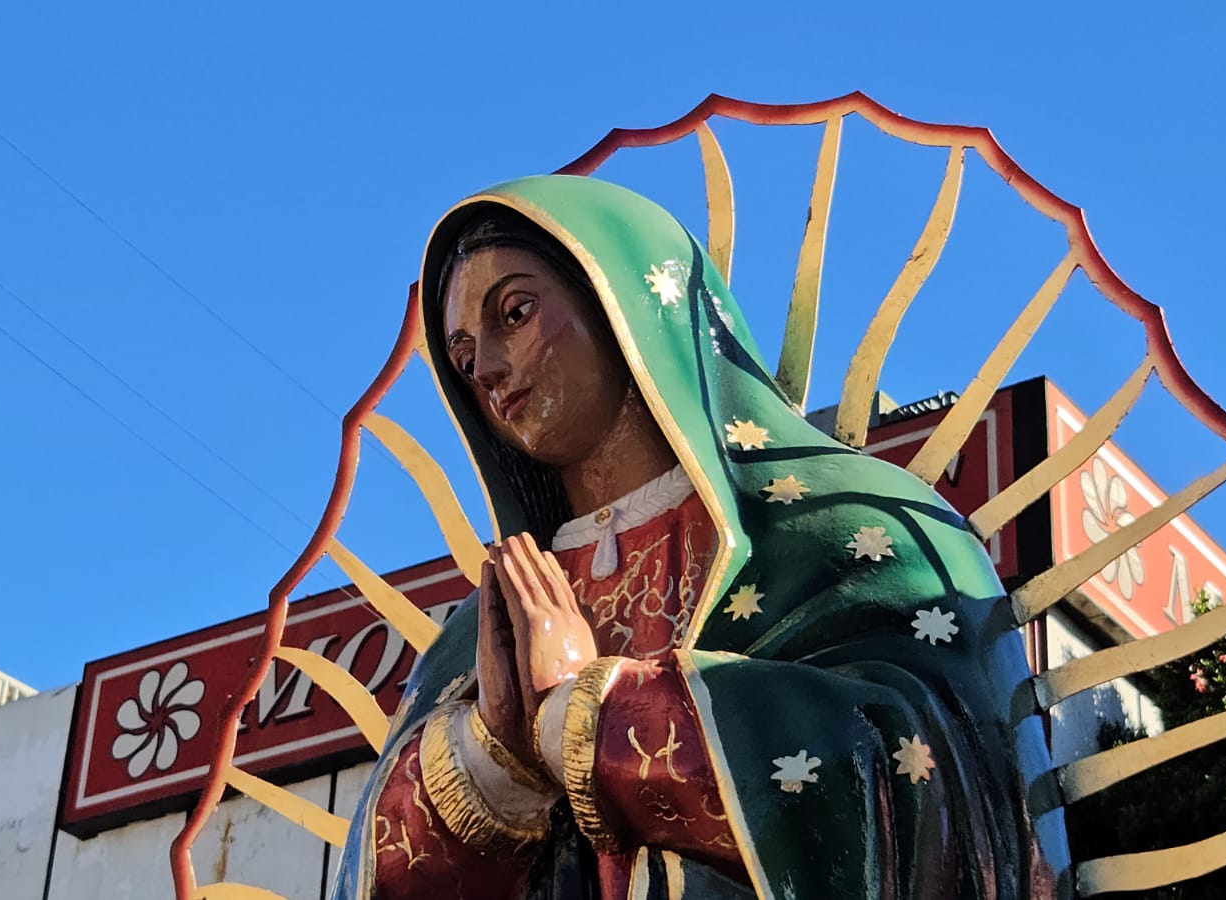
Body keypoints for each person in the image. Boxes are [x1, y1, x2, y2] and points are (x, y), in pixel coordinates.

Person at [330, 175, 1069, 899]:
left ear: (623, 302)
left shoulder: (853, 529)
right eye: (463, 359)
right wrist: (495, 761)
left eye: (516, 312)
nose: (487, 370)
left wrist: (592, 715)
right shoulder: (487, 628)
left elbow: (929, 776)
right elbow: (373, 873)